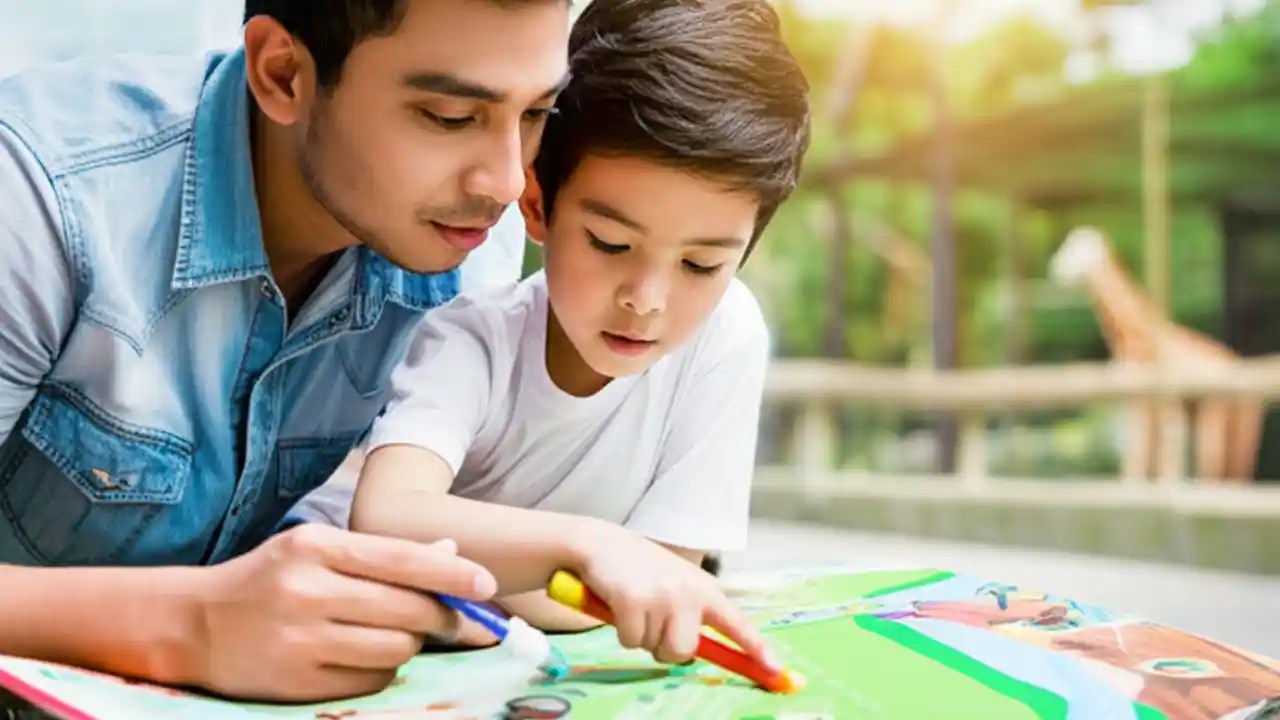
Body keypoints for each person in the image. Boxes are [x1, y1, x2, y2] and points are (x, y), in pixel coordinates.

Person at [0, 0, 571, 703]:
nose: (507, 184)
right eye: (451, 117)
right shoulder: (36, 198)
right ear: (283, 75)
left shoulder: (460, 243)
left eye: (538, 115)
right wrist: (196, 624)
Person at [339, 0, 811, 671]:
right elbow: (386, 515)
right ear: (537, 203)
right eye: (610, 242)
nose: (645, 301)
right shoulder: (472, 343)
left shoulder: (726, 335)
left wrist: (502, 578)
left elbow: (661, 585)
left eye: (702, 265)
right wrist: (590, 547)